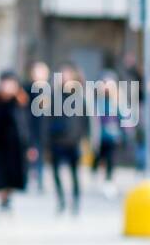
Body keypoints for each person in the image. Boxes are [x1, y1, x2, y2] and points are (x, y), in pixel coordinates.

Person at [0, 71, 32, 213]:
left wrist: (30, 146)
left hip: (15, 147)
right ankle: (2, 199)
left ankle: (7, 197)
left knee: (13, 175)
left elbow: (27, 126)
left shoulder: (21, 102)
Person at [42, 63, 89, 215]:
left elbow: (85, 120)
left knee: (75, 173)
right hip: (56, 141)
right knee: (56, 173)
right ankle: (61, 200)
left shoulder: (79, 97)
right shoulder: (53, 96)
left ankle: (76, 201)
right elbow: (47, 119)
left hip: (73, 142)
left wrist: (84, 139)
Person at [92, 72, 124, 197]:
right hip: (100, 136)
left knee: (111, 159)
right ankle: (95, 173)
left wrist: (123, 134)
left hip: (113, 136)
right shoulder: (97, 100)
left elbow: (123, 118)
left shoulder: (117, 101)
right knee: (100, 157)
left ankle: (109, 180)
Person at [25, 60, 50, 192]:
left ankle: (39, 180)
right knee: (31, 153)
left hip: (45, 129)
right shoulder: (27, 89)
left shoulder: (49, 91)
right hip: (30, 127)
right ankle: (29, 178)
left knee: (40, 155)